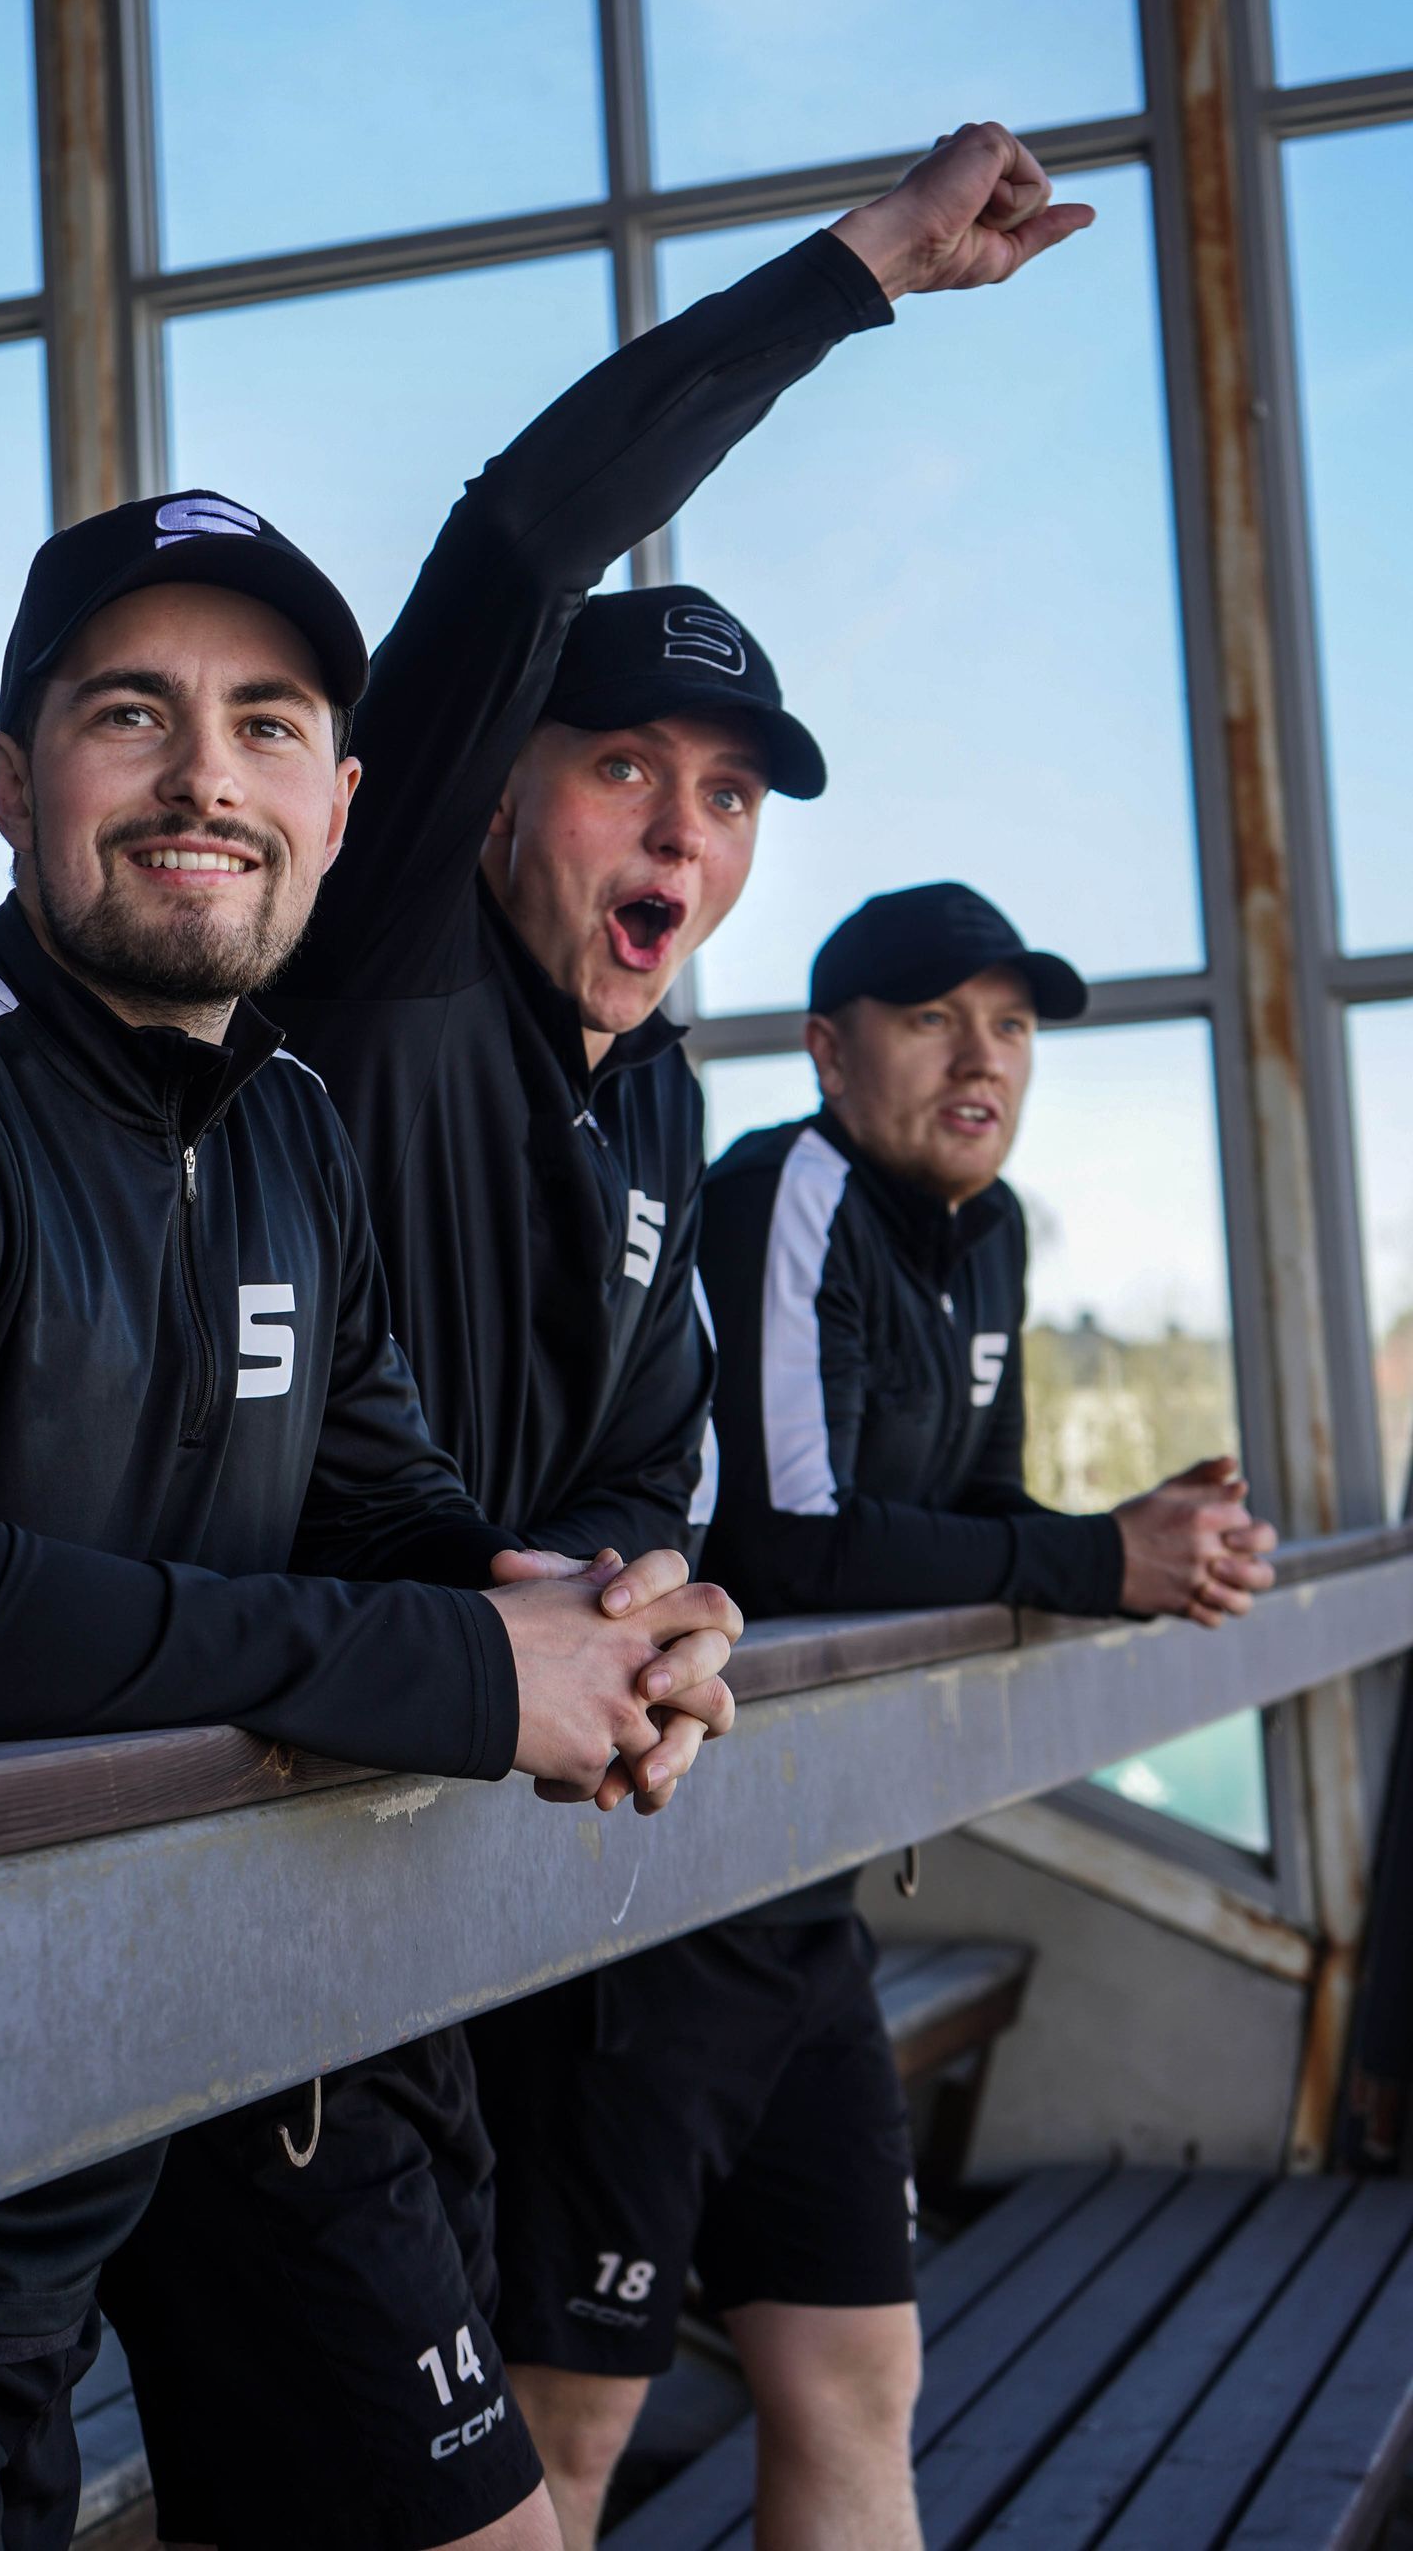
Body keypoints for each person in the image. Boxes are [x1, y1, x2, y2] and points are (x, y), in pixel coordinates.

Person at [0, 495, 744, 2551]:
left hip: (46, 2153)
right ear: (12, 782)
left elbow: (382, 1504)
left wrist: (577, 1615)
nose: (205, 781)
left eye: (267, 727)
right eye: (131, 714)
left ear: (343, 805)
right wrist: (467, 1675)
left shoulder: (285, 1124)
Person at [99, 125, 1100, 2551]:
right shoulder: (379, 972)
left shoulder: (650, 1095)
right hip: (267, 1918)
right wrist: (853, 276)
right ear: (483, 797)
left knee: (839, 2385)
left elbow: (651, 1468)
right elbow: (517, 546)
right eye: (627, 767)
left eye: (731, 794)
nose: (684, 828)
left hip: (465, 1899)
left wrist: (657, 1597)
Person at [484, 879, 1280, 2551]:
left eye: (1011, 1024)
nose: (982, 1058)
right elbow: (790, 1536)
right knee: (567, 2428)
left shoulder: (988, 1235)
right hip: (652, 1901)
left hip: (805, 1902)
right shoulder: (792, 1188)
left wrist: (1119, 1534)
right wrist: (1094, 1555)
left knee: (858, 2378)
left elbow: (973, 1512)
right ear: (835, 1053)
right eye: (933, 1019)